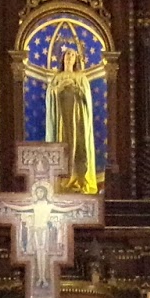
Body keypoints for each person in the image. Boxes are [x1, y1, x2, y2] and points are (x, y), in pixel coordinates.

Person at [44, 48, 97, 194]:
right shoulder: (56, 77)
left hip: (77, 120)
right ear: (62, 58)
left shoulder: (81, 77)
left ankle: (78, 180)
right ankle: (60, 181)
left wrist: (75, 88)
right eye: (67, 54)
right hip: (61, 120)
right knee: (61, 146)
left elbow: (86, 98)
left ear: (76, 60)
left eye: (73, 55)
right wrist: (59, 88)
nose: (70, 57)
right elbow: (50, 96)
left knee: (77, 148)